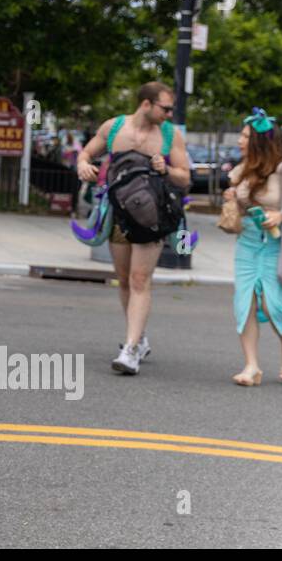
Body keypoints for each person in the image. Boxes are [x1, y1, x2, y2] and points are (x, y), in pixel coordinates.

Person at [75, 82, 191, 375]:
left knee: (140, 280)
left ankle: (130, 349)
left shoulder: (169, 135)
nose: (169, 113)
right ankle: (138, 336)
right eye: (165, 108)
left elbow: (185, 177)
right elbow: (86, 154)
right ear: (146, 104)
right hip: (118, 213)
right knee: (125, 279)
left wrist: (166, 169)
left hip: (153, 216)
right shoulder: (114, 128)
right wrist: (83, 165)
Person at [223, 109, 282, 385]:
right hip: (248, 242)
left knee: (272, 304)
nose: (240, 141)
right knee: (245, 304)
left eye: (245, 137)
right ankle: (251, 366)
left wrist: (281, 214)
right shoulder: (241, 170)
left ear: (260, 142)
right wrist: (233, 198)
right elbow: (240, 204)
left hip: (277, 243)